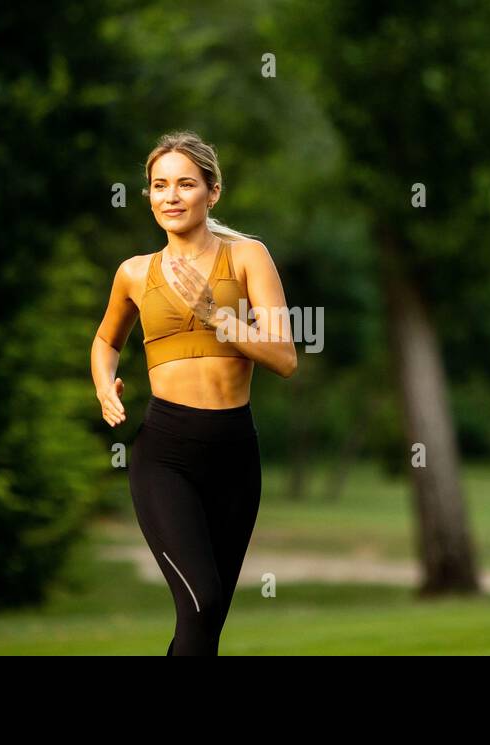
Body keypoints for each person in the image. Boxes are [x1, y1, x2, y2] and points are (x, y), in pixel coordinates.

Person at [90, 131, 297, 655]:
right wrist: (103, 383)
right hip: (166, 455)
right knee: (201, 601)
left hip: (234, 456)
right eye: (159, 185)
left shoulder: (248, 257)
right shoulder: (135, 273)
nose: (171, 196)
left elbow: (284, 358)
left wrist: (216, 315)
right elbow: (105, 341)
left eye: (186, 184)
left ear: (213, 192)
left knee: (205, 625)